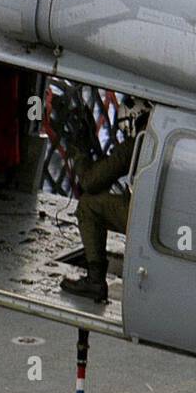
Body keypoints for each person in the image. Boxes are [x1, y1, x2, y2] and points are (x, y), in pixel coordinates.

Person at [60, 122, 143, 303]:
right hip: (170, 218)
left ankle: (95, 280)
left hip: (147, 218)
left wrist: (80, 152)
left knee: (89, 205)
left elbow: (90, 181)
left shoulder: (142, 140)